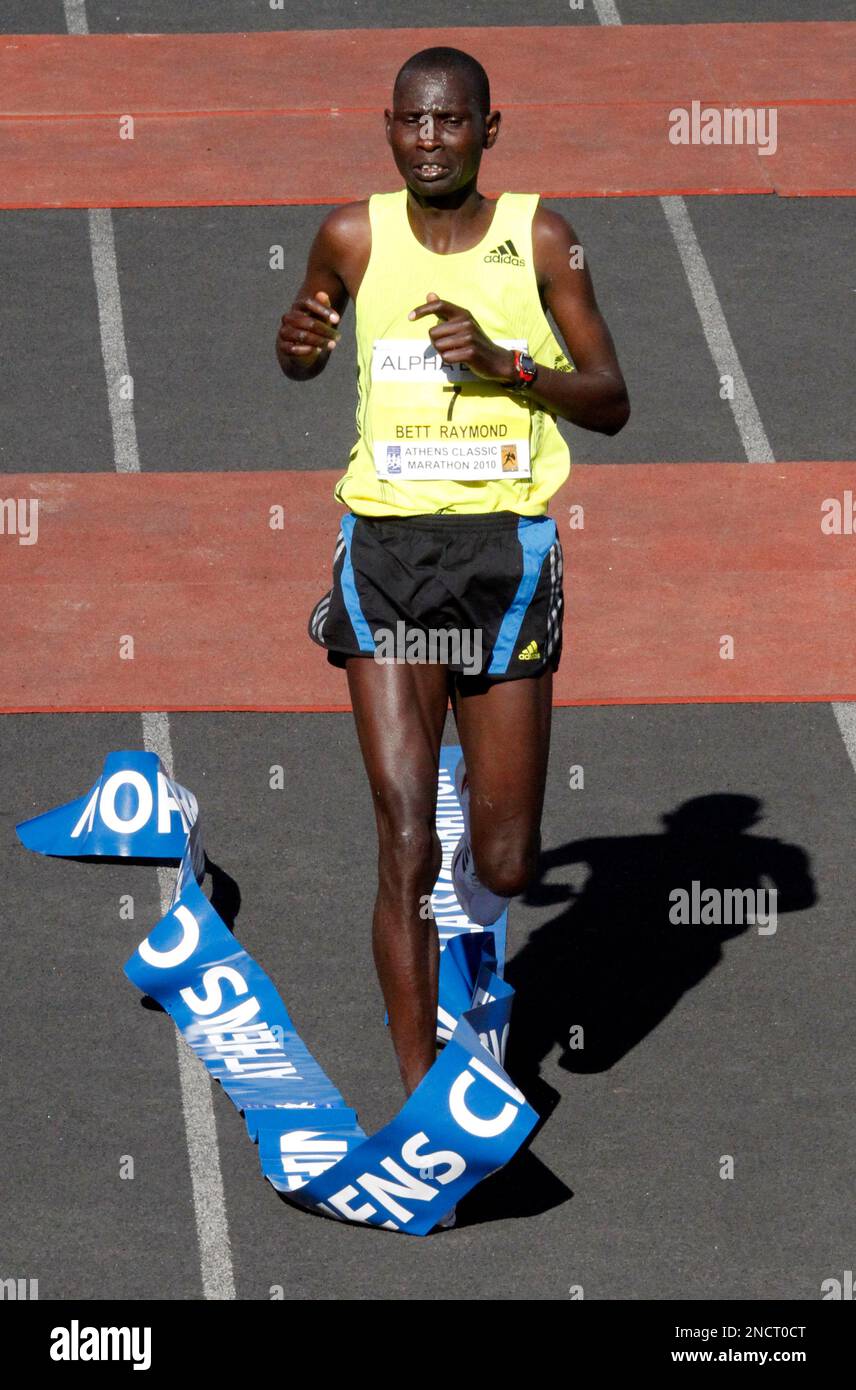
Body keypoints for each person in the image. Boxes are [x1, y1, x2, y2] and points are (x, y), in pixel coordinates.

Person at [276, 46, 629, 1108]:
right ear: (389, 129)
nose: (430, 141)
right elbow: (306, 347)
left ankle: (473, 893)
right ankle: (422, 1097)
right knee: (400, 837)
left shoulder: (543, 239)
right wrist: (296, 346)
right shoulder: (350, 236)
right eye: (412, 123)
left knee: (508, 861)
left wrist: (506, 363)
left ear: (489, 129)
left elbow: (610, 398)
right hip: (386, 554)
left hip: (502, 556)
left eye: (452, 123)